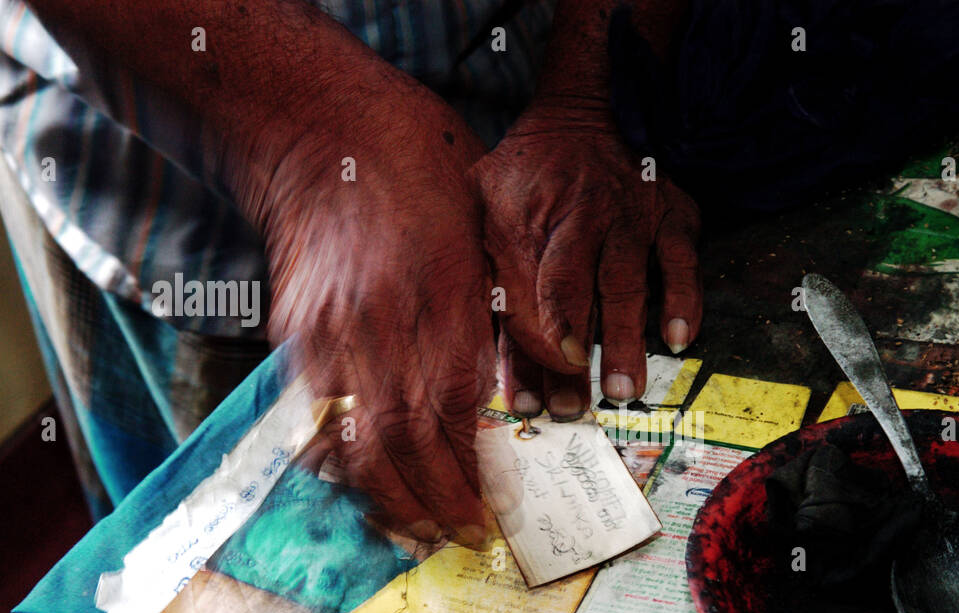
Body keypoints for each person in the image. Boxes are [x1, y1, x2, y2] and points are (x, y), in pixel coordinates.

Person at [0, 0, 703, 544]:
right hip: (158, 188)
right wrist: (314, 132)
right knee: (228, 595)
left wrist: (588, 95)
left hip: (522, 97)